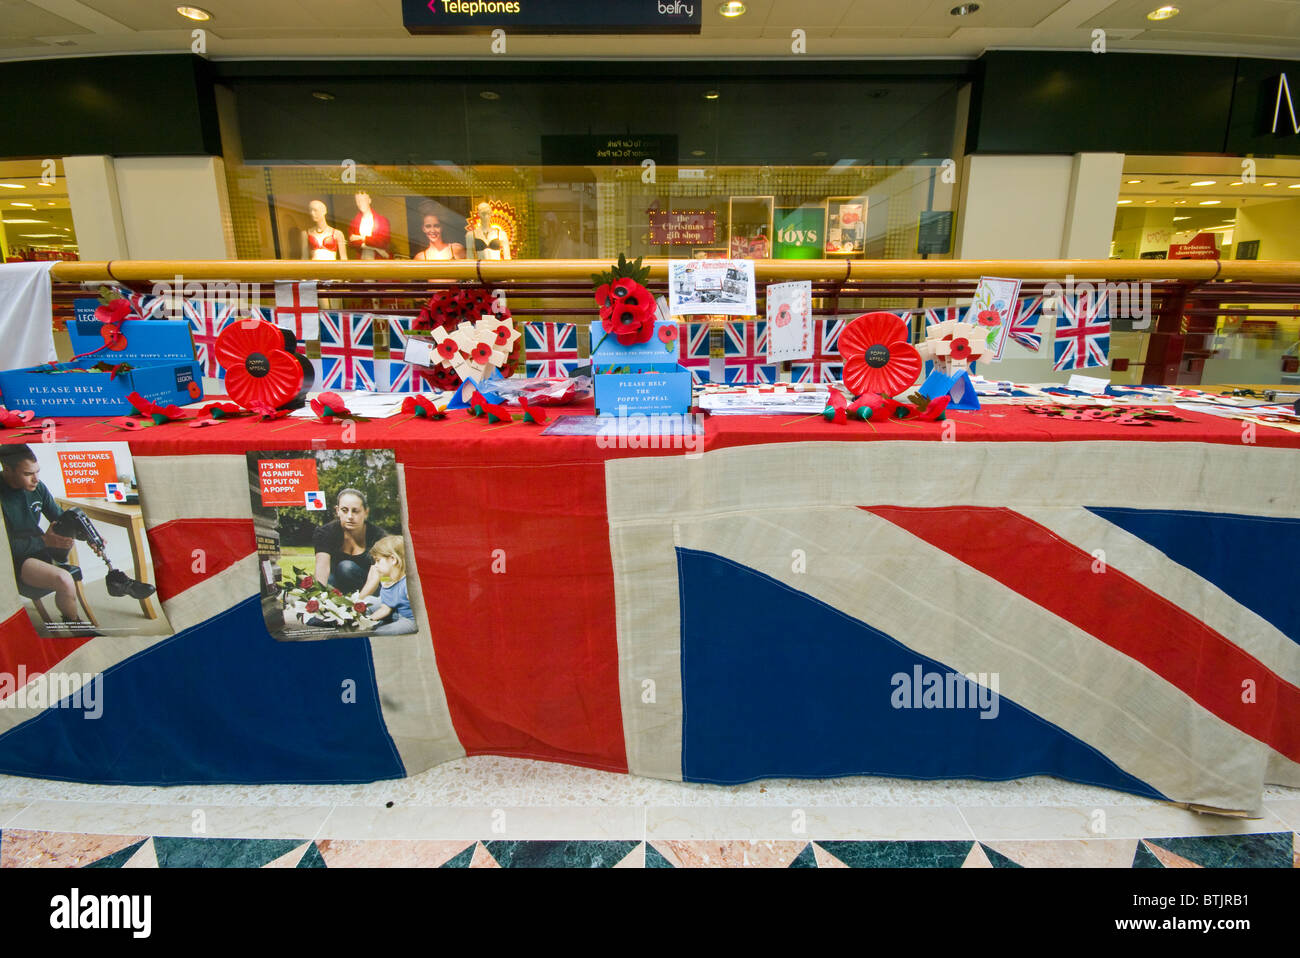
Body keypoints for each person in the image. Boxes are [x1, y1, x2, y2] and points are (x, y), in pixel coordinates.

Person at [1, 444, 155, 636]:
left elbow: (59, 517)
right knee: (64, 579)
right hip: (16, 559)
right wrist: (45, 541)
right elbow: (3, 548)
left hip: (41, 546)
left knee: (73, 516)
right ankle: (77, 627)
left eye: (37, 472)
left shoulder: (37, 487)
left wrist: (88, 537)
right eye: (27, 474)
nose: (36, 479)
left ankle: (116, 578)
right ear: (7, 469)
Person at [312, 488, 386, 598]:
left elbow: (374, 576)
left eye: (355, 511)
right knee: (329, 578)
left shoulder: (377, 535)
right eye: (344, 510)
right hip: (336, 587)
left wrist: (357, 604)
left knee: (346, 567)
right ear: (337, 511)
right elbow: (322, 568)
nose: (350, 516)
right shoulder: (325, 532)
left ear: (366, 512)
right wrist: (318, 599)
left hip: (368, 589)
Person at [361, 535, 416, 636]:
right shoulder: (387, 579)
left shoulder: (409, 585)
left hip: (410, 620)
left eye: (378, 560)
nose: (375, 565)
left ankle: (383, 624)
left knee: (380, 632)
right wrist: (368, 620)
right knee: (367, 601)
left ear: (393, 559)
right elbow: (385, 608)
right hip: (397, 613)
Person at [348, 191, 391, 260]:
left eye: (363, 200)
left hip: (378, 260)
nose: (360, 204)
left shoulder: (382, 221)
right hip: (361, 260)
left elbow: (383, 242)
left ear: (369, 200)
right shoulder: (354, 222)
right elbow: (352, 243)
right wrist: (376, 248)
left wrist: (362, 238)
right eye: (358, 201)